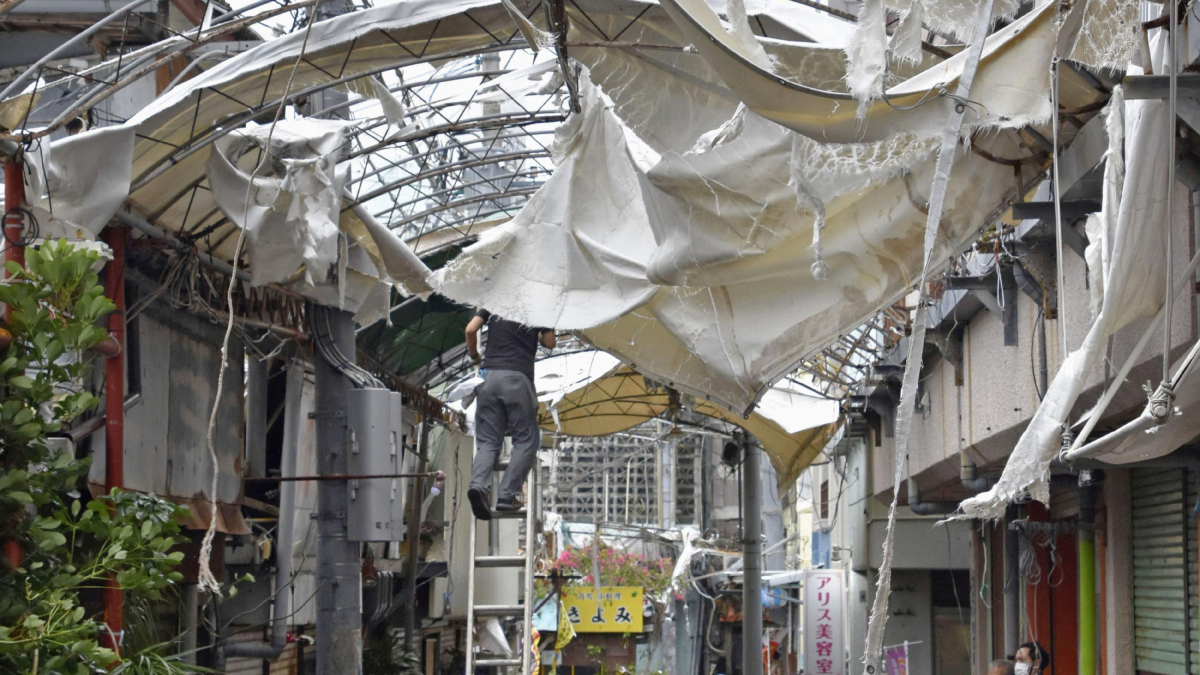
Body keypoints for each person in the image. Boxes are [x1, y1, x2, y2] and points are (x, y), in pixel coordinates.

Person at [464, 308, 554, 520]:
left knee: (487, 443)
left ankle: (478, 487)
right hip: (516, 378)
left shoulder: (496, 301)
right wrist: (538, 331)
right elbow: (550, 342)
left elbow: (470, 330)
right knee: (526, 441)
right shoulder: (538, 304)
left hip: (488, 378)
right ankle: (506, 496)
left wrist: (475, 356)